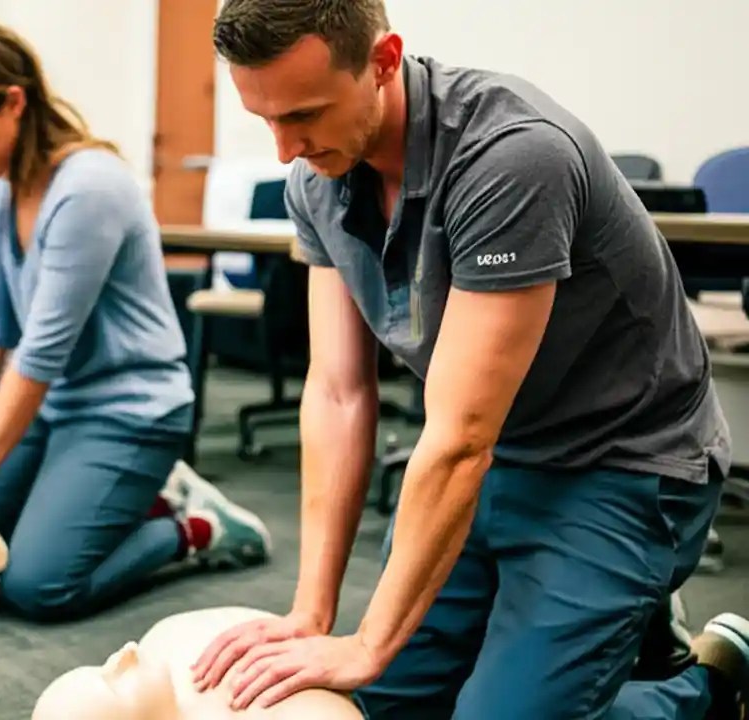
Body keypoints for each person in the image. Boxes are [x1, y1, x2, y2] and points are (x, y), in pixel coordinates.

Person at [189, 1, 749, 718]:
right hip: (492, 456)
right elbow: (336, 392)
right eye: (264, 119)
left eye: (304, 114)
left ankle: (707, 684)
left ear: (385, 61)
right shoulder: (316, 180)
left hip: (620, 467)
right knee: (370, 708)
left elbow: (461, 437)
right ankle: (615, 630)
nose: (284, 149)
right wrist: (311, 613)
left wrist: (367, 645)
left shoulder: (513, 156)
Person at [0, 18, 273, 622]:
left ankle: (191, 526)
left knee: (36, 586)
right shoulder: (5, 190)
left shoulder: (89, 188)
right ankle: (114, 500)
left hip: (130, 413)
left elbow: (39, 354)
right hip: (59, 408)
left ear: (13, 101)